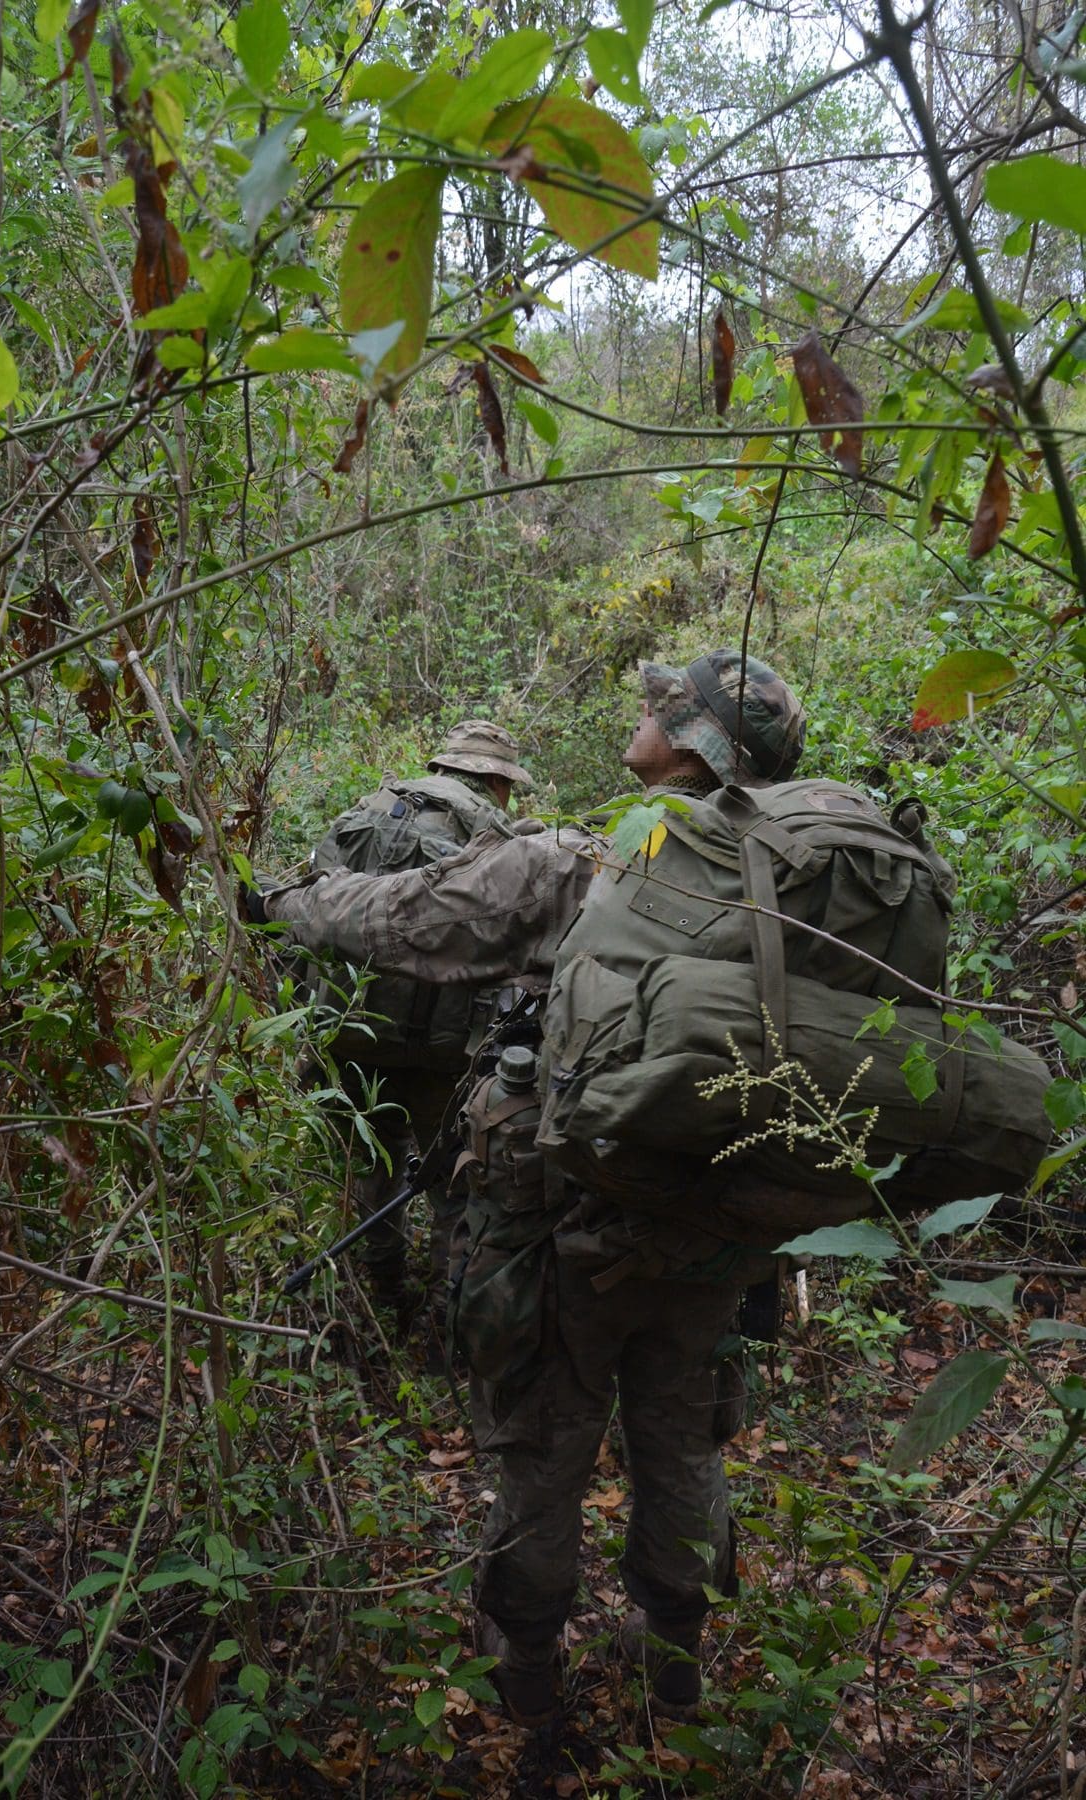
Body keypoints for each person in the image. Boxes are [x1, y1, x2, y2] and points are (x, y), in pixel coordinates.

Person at [253, 650, 806, 1726]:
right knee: (684, 1441)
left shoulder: (582, 863)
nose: (644, 712)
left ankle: (528, 1692)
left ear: (692, 745)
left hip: (574, 1230)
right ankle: (675, 1679)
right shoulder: (800, 878)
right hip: (720, 1230)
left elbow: (406, 917)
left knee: (545, 1452)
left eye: (665, 707)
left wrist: (283, 906)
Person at [287, 721, 533, 1312]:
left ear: (445, 765)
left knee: (367, 1174)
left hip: (347, 1036)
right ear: (497, 780)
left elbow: (305, 911)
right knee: (457, 1185)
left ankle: (380, 1300)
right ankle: (451, 1325)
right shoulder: (494, 833)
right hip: (443, 1053)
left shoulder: (362, 811)